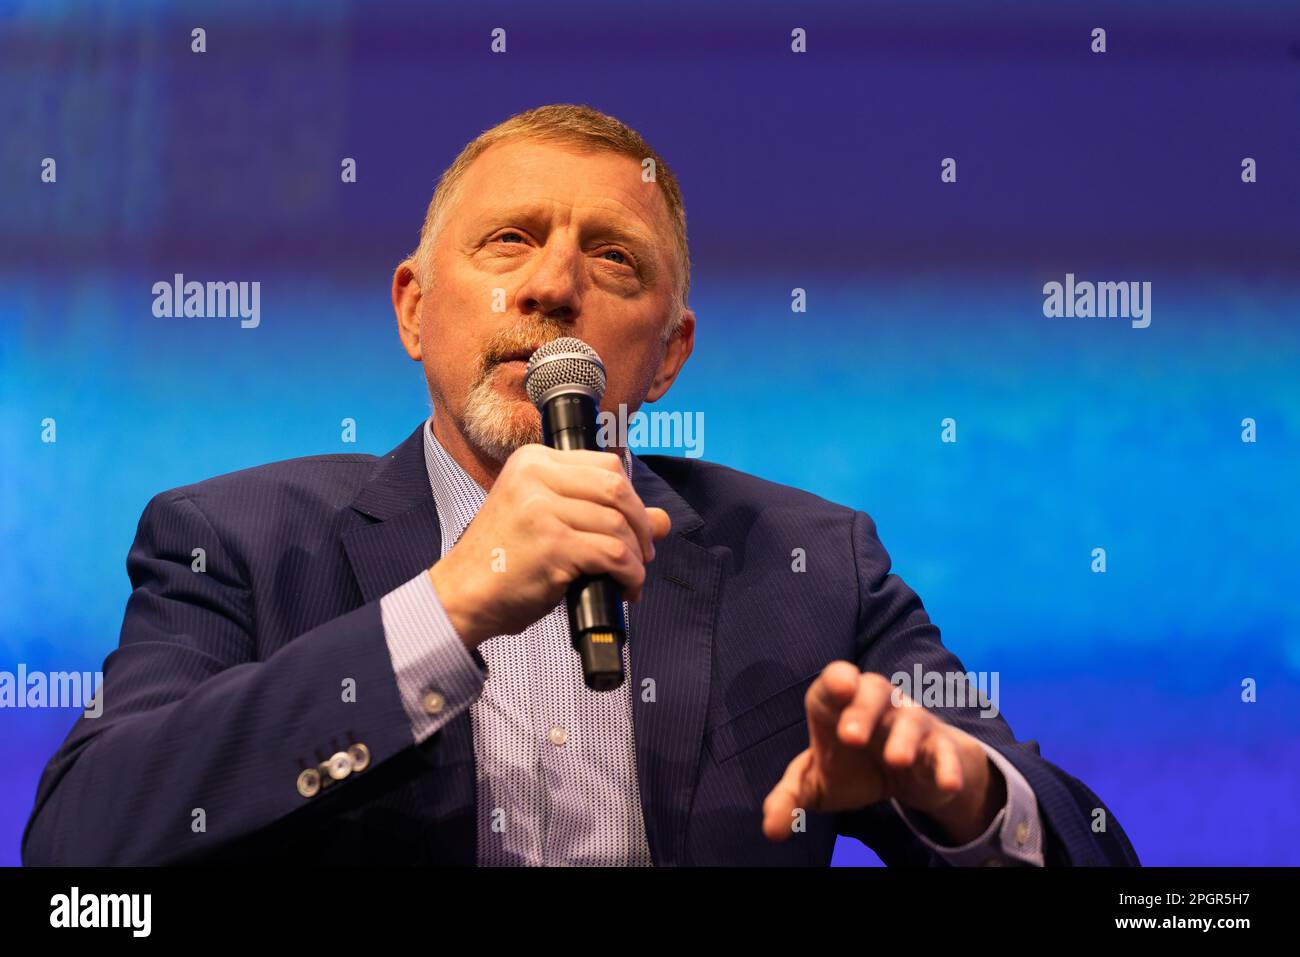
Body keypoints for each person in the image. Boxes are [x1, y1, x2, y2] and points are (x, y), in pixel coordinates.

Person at [22, 104, 1138, 866]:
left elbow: (1099, 859)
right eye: (508, 241)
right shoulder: (239, 541)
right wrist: (445, 611)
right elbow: (80, 847)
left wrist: (965, 799)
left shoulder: (805, 564)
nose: (554, 286)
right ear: (414, 307)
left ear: (669, 356)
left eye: (615, 261)